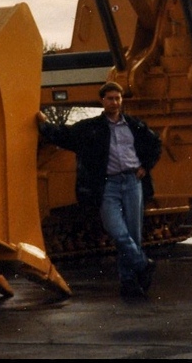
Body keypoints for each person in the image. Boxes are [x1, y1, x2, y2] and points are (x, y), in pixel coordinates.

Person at [36, 81, 162, 298]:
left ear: (121, 101)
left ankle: (129, 281)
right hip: (108, 185)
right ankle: (142, 264)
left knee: (133, 234)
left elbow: (155, 144)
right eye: (110, 98)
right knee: (117, 231)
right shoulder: (91, 127)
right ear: (102, 101)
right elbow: (65, 135)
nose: (114, 102)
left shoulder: (135, 125)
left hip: (132, 183)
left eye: (117, 98)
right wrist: (43, 124)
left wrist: (145, 166)